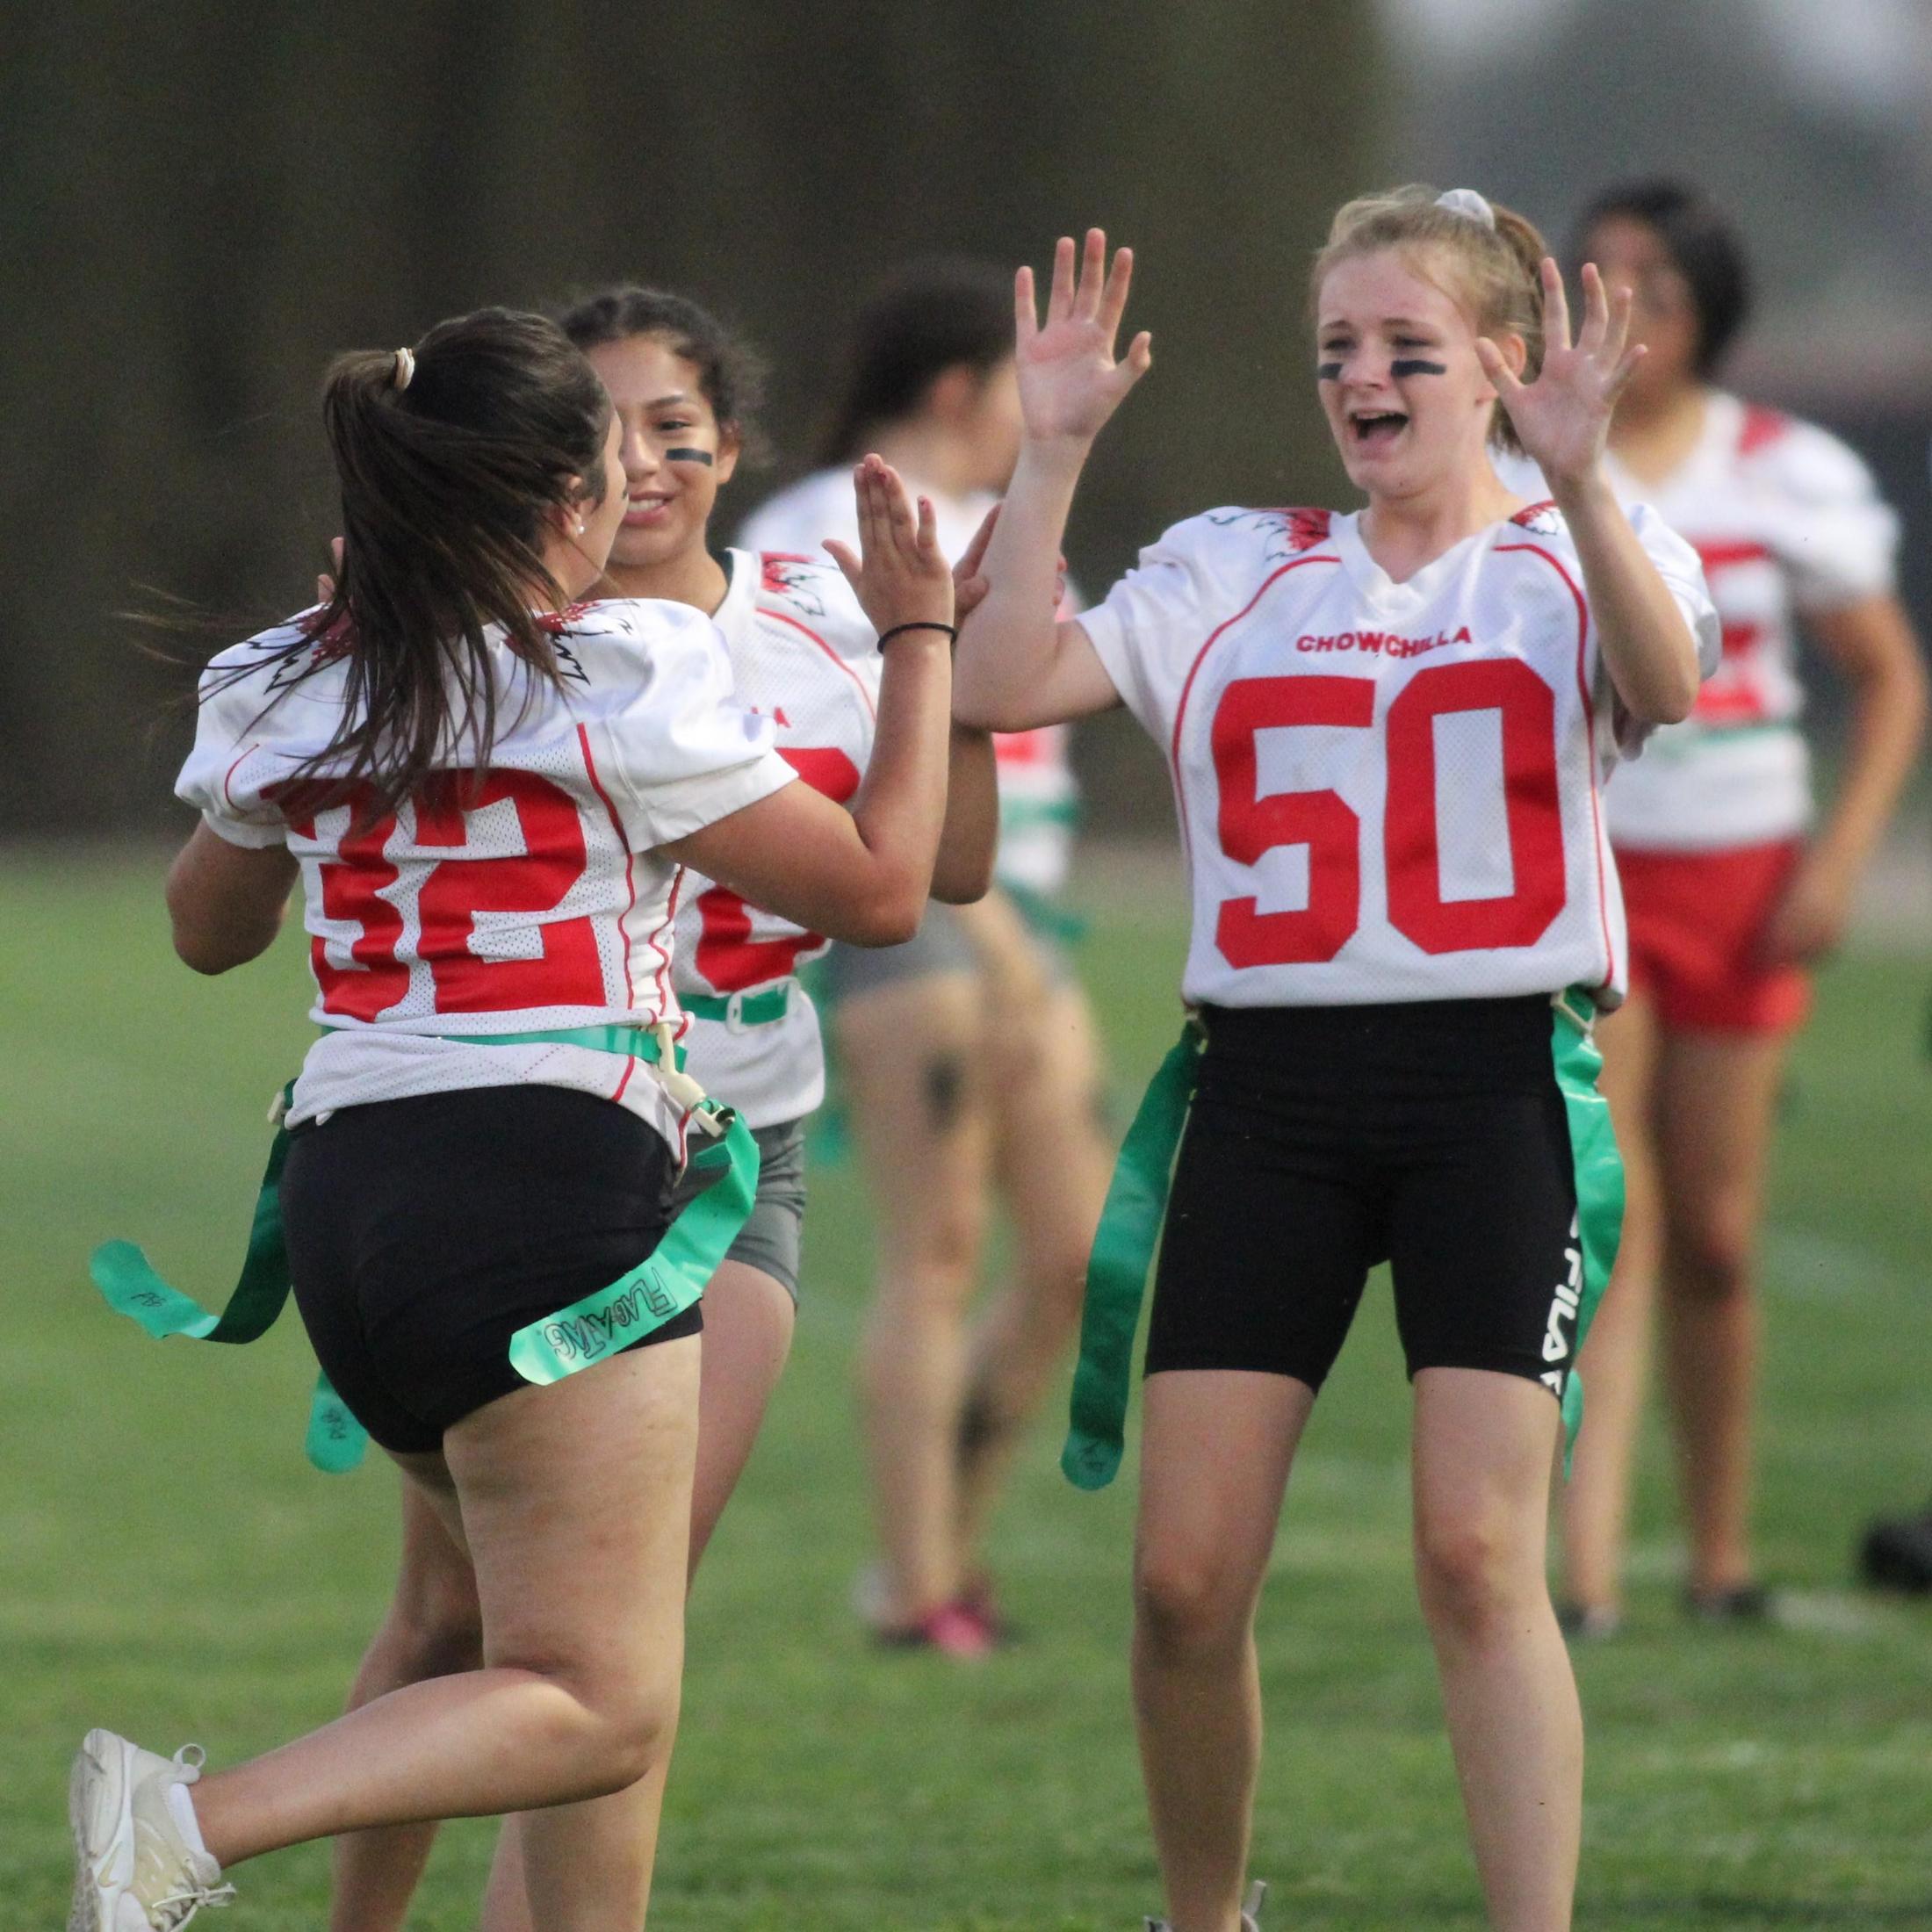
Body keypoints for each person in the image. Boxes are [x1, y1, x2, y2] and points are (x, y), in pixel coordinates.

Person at [70, 306, 961, 1932]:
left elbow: (212, 932)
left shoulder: (288, 676)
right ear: (563, 502)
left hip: (347, 1206)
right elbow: (889, 886)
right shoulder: (629, 665)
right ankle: (184, 1822)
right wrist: (919, 643)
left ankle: (230, 1851)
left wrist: (309, 724)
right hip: (547, 1187)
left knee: (475, 1634)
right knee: (600, 1703)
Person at [955, 201, 1719, 1931]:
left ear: (1501, 368)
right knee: (1178, 1577)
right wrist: (1050, 452)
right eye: (1335, 352)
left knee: (1470, 1551)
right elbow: (996, 679)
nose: (1360, 380)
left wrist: (1582, 476)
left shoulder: (1570, 545)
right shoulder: (1232, 561)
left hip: (1487, 1092)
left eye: (1404, 349)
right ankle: (1202, 1916)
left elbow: (1663, 686)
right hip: (1270, 1099)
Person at [321, 285, 998, 1932]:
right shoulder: (479, 648)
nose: (635, 467)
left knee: (607, 1632)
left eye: (671, 433)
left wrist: (938, 660)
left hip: (725, 1150)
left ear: (731, 451)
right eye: (597, 434)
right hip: (542, 1143)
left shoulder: (807, 625)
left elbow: (947, 867)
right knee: (459, 1627)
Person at [1502, 182, 1927, 1633]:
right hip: (1592, 879)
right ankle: (1591, 1568)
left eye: (1658, 288)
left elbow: (1889, 678)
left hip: (1747, 878)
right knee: (1608, 1211)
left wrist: (1839, 858)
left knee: (1728, 1234)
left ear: (1710, 315)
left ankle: (1722, 1553)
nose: (1625, 307)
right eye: (1597, 276)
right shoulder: (1524, 465)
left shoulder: (1779, 470)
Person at [740, 260, 1117, 1649]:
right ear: (962, 388)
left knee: (1086, 1255)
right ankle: (916, 1587)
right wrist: (989, 930)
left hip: (1033, 919)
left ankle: (949, 1553)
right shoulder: (821, 522)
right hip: (924, 926)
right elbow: (843, 761)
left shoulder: (1021, 521)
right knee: (938, 1250)